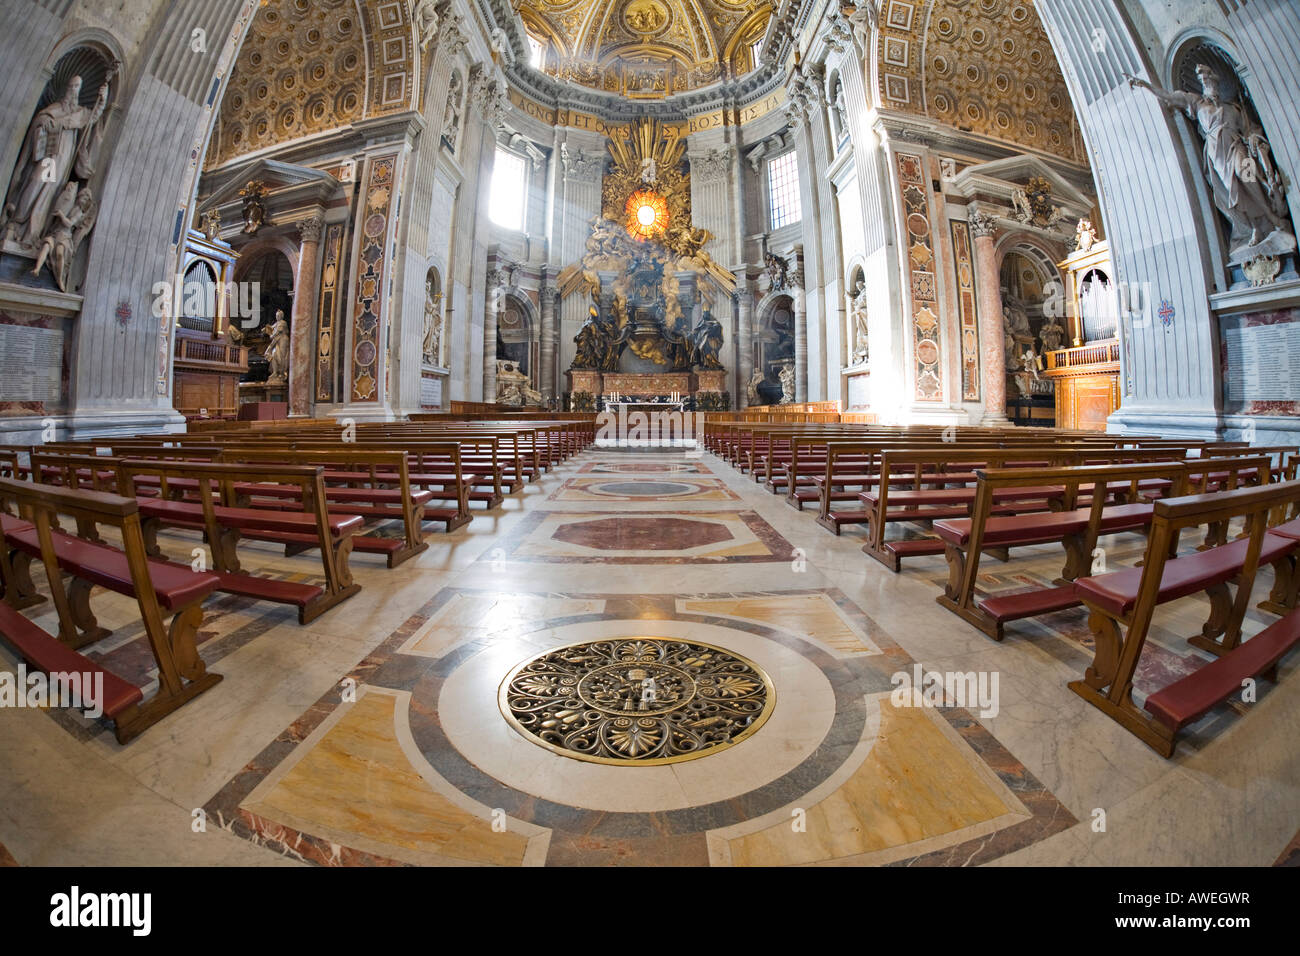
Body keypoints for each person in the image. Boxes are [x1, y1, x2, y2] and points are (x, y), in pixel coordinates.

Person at [1128, 64, 1292, 259]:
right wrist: (1144, 84)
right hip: (1216, 154)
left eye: (1209, 81)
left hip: (1236, 146)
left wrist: (1255, 138)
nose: (1207, 84)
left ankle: (1271, 216)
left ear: (1216, 84)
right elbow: (1169, 97)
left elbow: (1249, 130)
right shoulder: (1198, 104)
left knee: (1246, 175)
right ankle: (1255, 227)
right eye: (1204, 82)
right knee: (1233, 192)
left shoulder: (1233, 108)